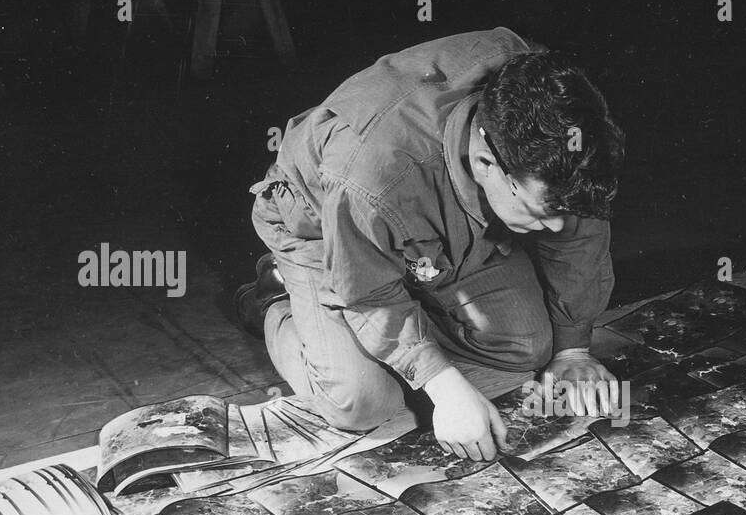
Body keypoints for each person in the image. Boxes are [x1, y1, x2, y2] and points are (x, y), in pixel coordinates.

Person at [236, 27, 626, 462]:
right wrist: (443, 385)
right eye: (540, 213)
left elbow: (579, 234)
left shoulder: (552, 111)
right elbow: (370, 294)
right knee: (361, 402)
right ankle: (274, 298)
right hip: (325, 229)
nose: (554, 228)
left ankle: (411, 301)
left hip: (434, 229)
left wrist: (573, 350)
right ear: (485, 162)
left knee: (529, 346)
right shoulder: (372, 173)